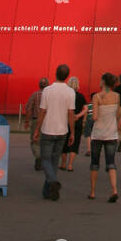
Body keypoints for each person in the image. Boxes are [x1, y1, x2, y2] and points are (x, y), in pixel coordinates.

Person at [33, 65, 75, 201]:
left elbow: (43, 111)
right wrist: (72, 132)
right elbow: (71, 113)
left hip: (47, 129)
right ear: (67, 76)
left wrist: (37, 129)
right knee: (54, 161)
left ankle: (52, 183)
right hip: (62, 130)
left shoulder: (47, 90)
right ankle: (48, 191)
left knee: (45, 160)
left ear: (55, 73)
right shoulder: (70, 92)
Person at [89, 72, 121, 202]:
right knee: (111, 162)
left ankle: (93, 192)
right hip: (111, 133)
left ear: (103, 82)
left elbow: (94, 117)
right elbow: (116, 115)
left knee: (94, 163)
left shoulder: (96, 97)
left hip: (98, 133)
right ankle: (114, 190)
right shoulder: (117, 96)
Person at [61, 77, 87, 171]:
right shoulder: (81, 96)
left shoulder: (65, 96)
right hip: (77, 122)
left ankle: (63, 164)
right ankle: (70, 165)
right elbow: (85, 109)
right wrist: (78, 116)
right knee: (75, 143)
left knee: (64, 143)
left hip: (66, 121)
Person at [24, 77, 49, 172]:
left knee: (35, 141)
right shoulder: (50, 96)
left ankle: (38, 156)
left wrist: (27, 121)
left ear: (39, 85)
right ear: (48, 85)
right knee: (46, 142)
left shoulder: (35, 95)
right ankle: (45, 161)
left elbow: (28, 108)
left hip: (36, 120)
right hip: (48, 121)